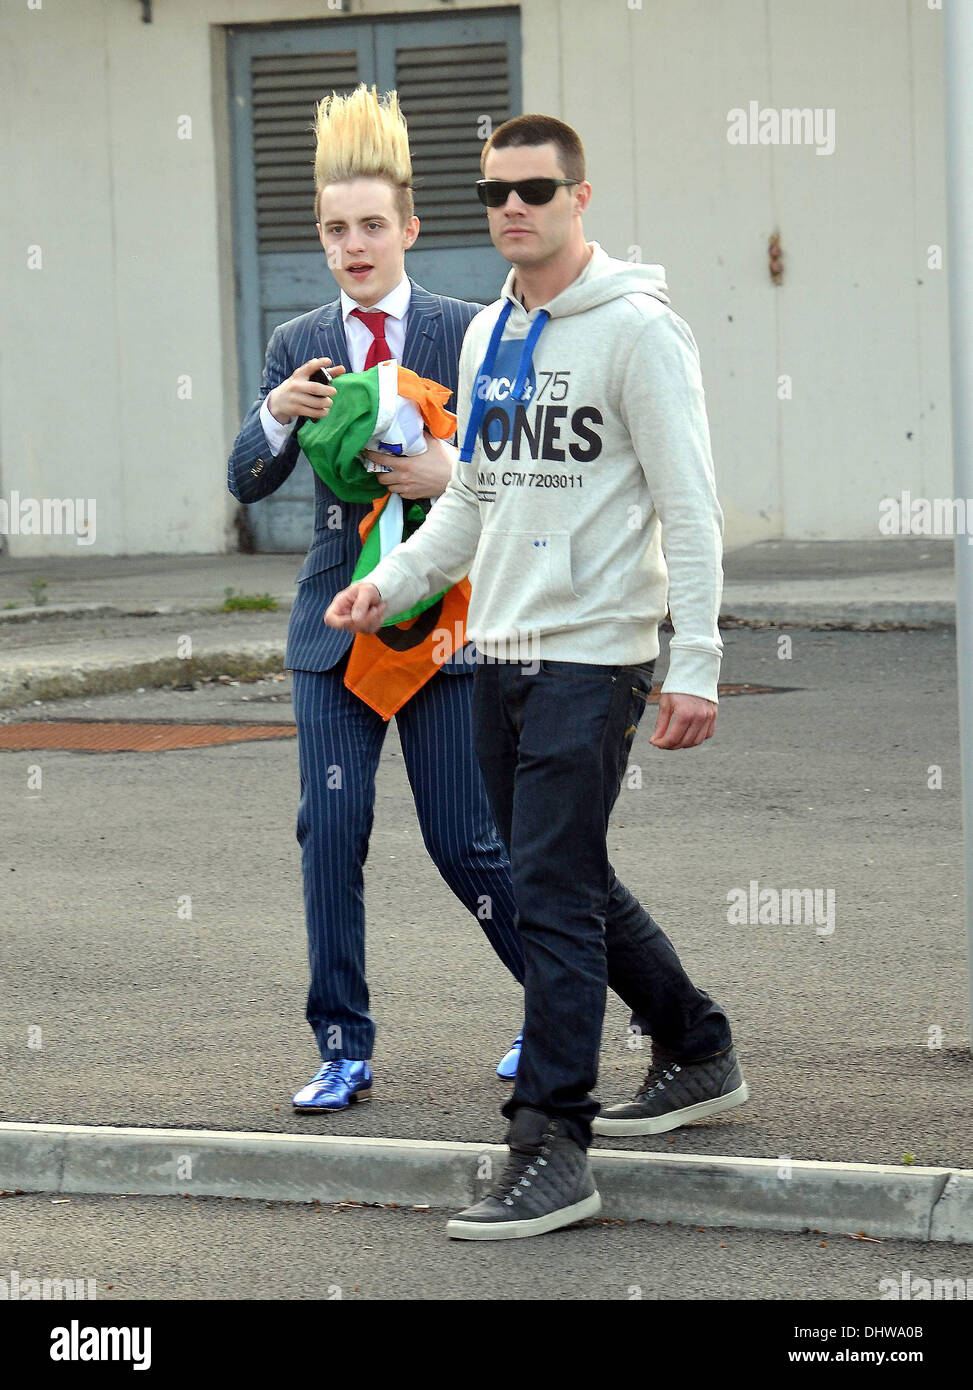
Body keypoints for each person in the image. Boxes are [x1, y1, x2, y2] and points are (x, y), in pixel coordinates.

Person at [326, 113, 748, 1240]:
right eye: (494, 192)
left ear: (579, 197)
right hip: (496, 650)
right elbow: (472, 498)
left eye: (534, 189)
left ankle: (552, 1144)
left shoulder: (638, 333)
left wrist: (694, 663)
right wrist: (396, 585)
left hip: (594, 650)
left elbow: (692, 507)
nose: (512, 207)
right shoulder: (490, 335)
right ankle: (699, 1048)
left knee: (549, 891)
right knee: (559, 872)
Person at [227, 85, 526, 1114]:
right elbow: (244, 481)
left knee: (467, 840)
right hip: (332, 631)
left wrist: (448, 478)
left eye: (370, 226)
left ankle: (552, 1003)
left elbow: (513, 465)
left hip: (442, 624)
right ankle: (342, 1042)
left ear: (408, 228)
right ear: (320, 239)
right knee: (330, 832)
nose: (353, 246)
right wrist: (273, 415)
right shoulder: (299, 341)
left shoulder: (471, 327)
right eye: (334, 230)